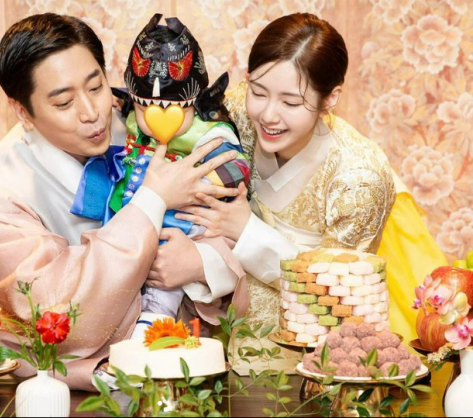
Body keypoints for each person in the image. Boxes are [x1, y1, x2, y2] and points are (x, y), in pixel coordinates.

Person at [0, 13, 245, 391]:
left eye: (96, 87)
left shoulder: (143, 126)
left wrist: (199, 263)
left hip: (178, 368)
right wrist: (153, 201)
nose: (92, 112)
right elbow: (56, 309)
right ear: (22, 111)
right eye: (64, 102)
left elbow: (226, 224)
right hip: (71, 387)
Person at [176, 13, 447, 373]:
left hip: (306, 364)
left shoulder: (359, 178)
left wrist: (246, 232)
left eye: (291, 103)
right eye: (258, 91)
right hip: (214, 336)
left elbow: (340, 299)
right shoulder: (235, 113)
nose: (268, 115)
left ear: (330, 98)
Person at [71, 13, 251, 338]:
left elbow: (235, 167)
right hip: (136, 210)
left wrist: (199, 185)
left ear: (194, 103)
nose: (155, 120)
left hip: (188, 219)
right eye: (143, 110)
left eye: (173, 110)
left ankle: (157, 316)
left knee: (166, 260)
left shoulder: (209, 133)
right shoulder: (130, 120)